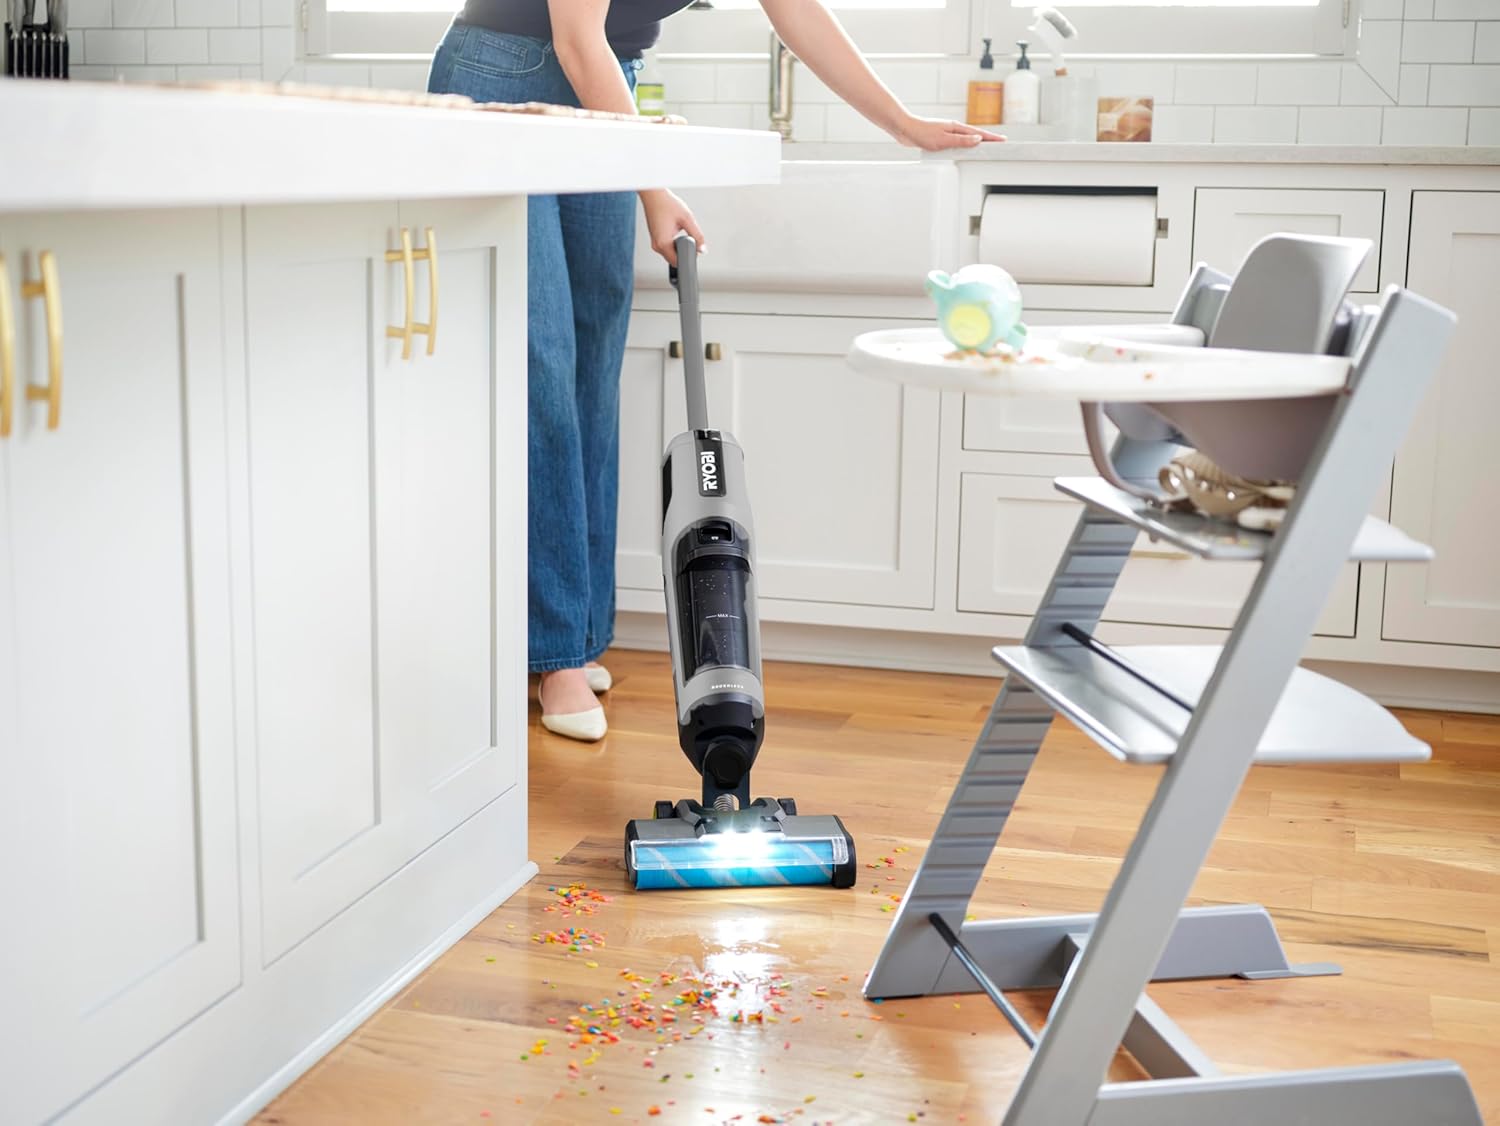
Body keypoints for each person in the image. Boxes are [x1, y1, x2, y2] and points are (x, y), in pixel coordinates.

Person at [428, 0, 1002, 743]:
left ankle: (569, 637)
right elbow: (574, 38)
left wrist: (902, 124)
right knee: (543, 371)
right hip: (500, 85)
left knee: (592, 367)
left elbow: (798, 12)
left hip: (607, 88)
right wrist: (656, 187)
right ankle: (557, 653)